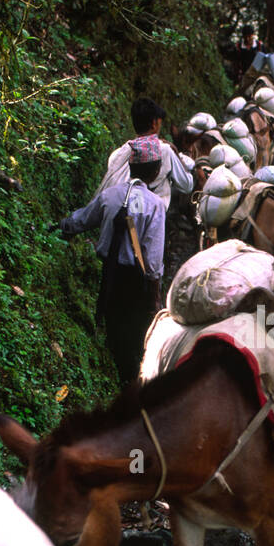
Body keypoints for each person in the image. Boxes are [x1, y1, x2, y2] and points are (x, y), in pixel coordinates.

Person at [58, 140, 166, 385]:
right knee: (136, 338)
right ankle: (132, 385)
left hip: (109, 275)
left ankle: (115, 371)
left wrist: (60, 227)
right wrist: (156, 297)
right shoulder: (155, 206)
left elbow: (81, 220)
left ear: (130, 165)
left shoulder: (111, 195)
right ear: (156, 171)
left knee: (113, 326)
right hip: (135, 282)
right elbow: (153, 260)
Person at [96, 99, 193, 212]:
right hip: (150, 217)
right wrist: (176, 154)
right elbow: (187, 185)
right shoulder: (164, 150)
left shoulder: (118, 154)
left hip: (117, 213)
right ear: (154, 123)